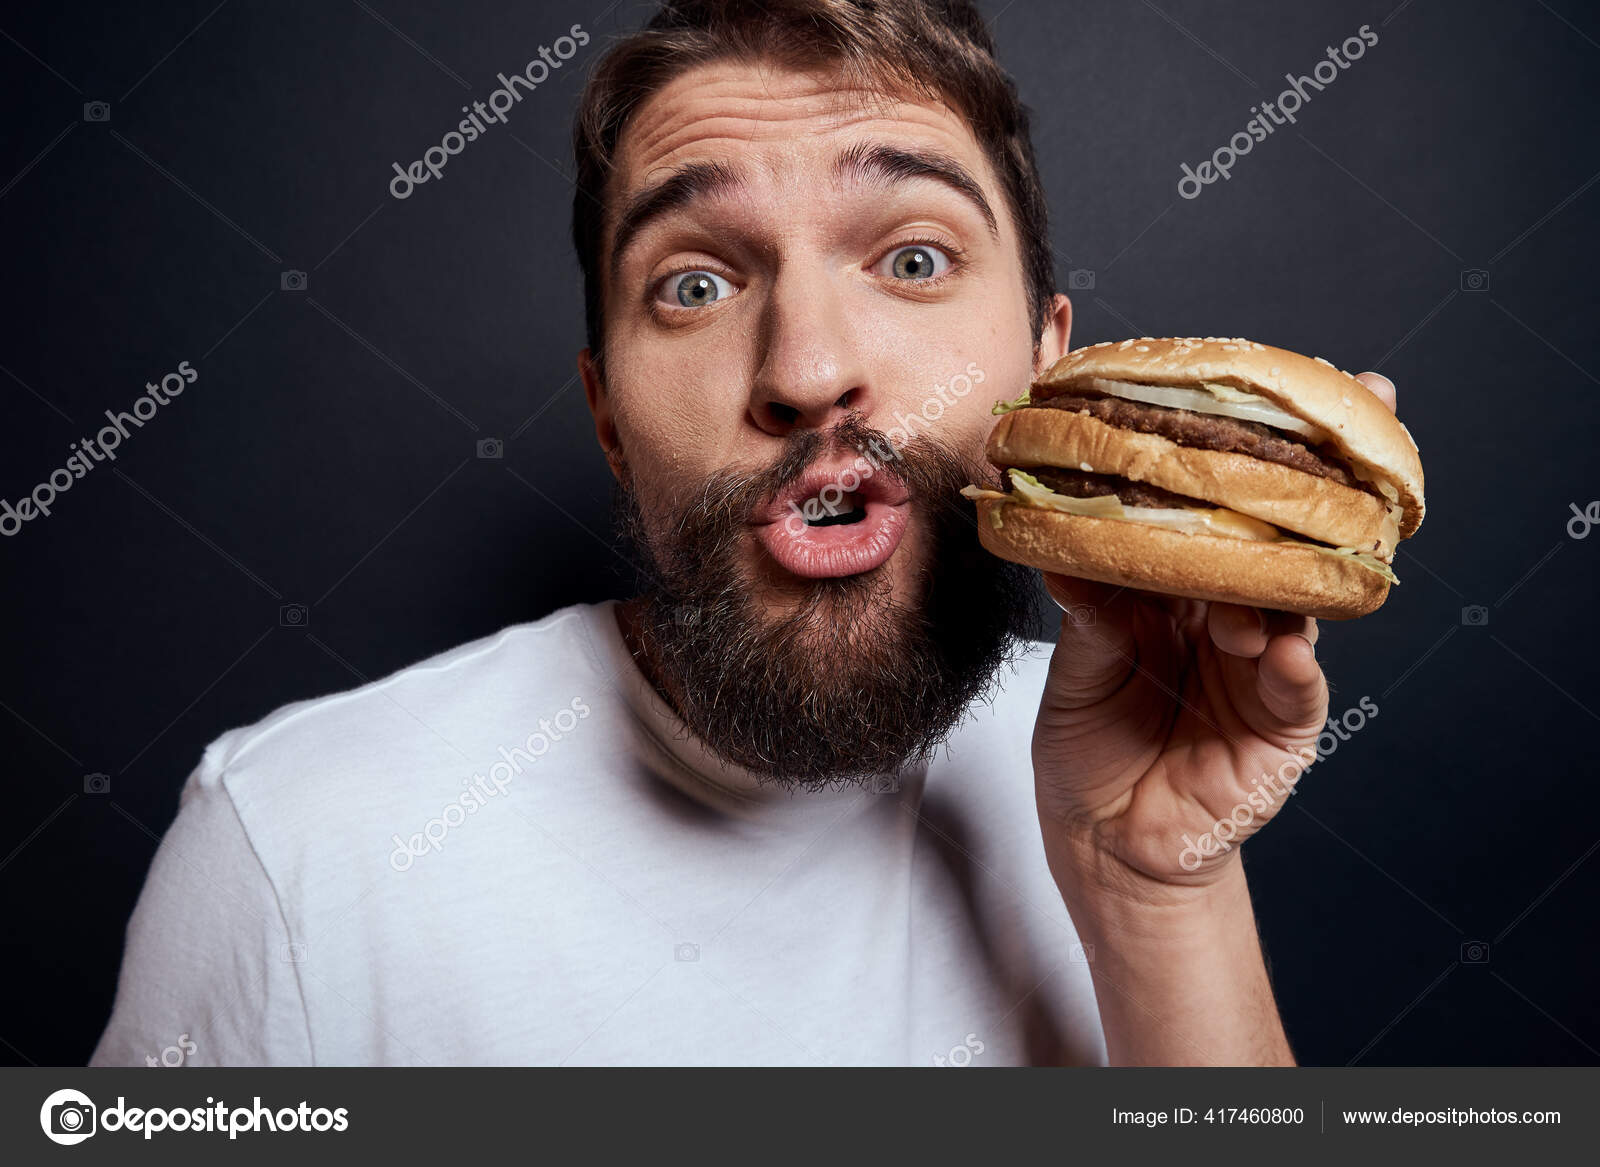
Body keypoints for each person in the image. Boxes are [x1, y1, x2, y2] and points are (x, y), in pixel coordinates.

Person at [91, 0, 1401, 1066]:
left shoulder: (1131, 762)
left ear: (1050, 378)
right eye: (698, 282)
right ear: (607, 417)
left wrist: (1153, 897)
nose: (808, 367)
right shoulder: (301, 850)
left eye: (913, 258)